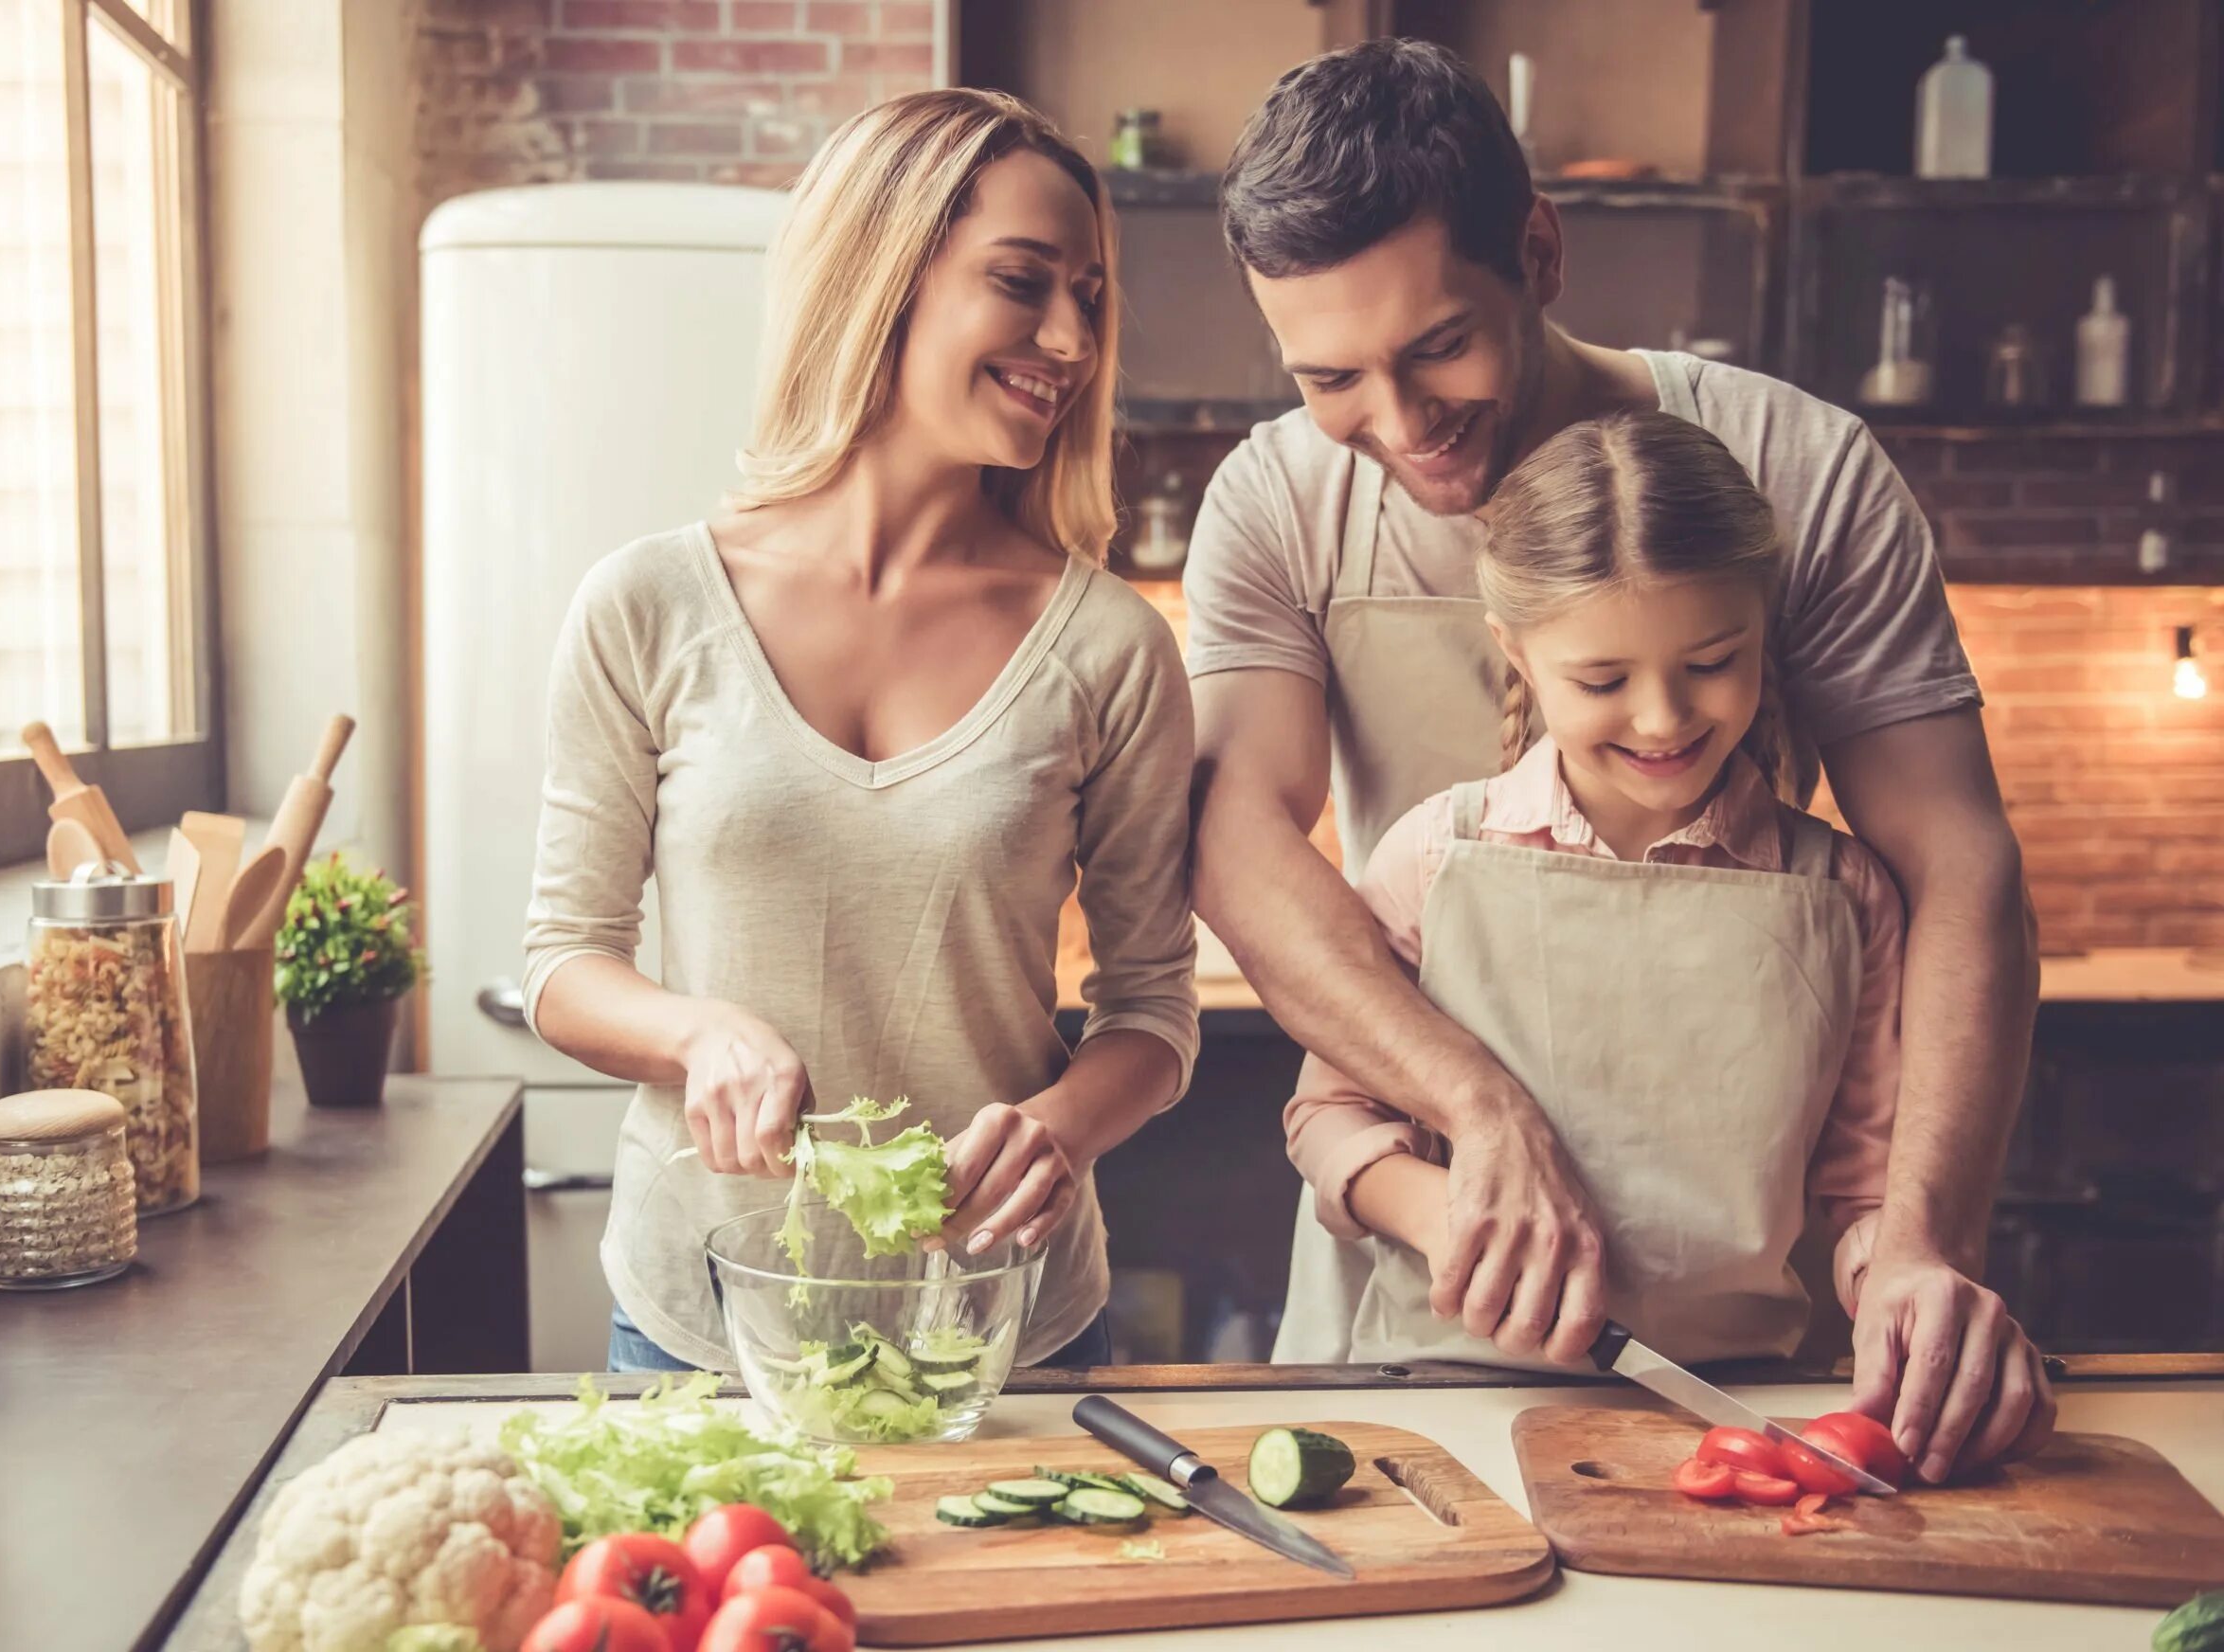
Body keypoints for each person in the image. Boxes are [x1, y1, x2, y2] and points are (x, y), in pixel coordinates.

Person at [1189, 40, 2048, 1482]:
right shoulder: (1275, 500)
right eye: (1333, 376)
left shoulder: (1805, 470)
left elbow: (1956, 863)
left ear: (1538, 248)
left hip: (1752, 1345)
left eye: (1438, 345)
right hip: (1428, 1304)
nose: (1398, 426)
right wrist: (1473, 1109)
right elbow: (1234, 843)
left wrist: (1914, 1251)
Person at [523, 89, 1198, 1374]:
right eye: (1022, 282)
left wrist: (1064, 1124)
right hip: (708, 1319)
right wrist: (695, 1032)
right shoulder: (651, 604)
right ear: (884, 276)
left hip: (999, 1324)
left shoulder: (1110, 646)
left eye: (1091, 296)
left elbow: (1154, 1015)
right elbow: (564, 963)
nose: (1069, 337)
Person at [1288, 413, 2044, 1453]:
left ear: (1762, 629)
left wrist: (1905, 1286)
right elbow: (1325, 1116)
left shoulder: (1845, 894)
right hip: (1445, 1404)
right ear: (1515, 650)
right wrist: (1432, 1210)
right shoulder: (1432, 857)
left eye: (1711, 663)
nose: (1660, 719)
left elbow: (1868, 1187)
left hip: (1740, 1411)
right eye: (1602, 681)